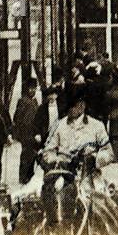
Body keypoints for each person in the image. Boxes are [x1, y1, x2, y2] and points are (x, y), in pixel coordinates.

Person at [39, 90, 112, 228]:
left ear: (82, 106)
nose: (68, 110)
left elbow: (109, 152)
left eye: (71, 106)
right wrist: (57, 160)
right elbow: (47, 151)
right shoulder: (59, 125)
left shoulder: (96, 126)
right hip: (63, 174)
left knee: (101, 208)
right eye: (67, 107)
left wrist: (94, 158)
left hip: (88, 175)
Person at [11, 80, 42, 185]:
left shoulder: (35, 102)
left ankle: (30, 174)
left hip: (33, 132)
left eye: (34, 88)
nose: (32, 90)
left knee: (32, 154)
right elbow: (17, 118)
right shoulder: (22, 101)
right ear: (27, 89)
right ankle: (23, 176)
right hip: (25, 132)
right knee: (25, 155)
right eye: (31, 88)